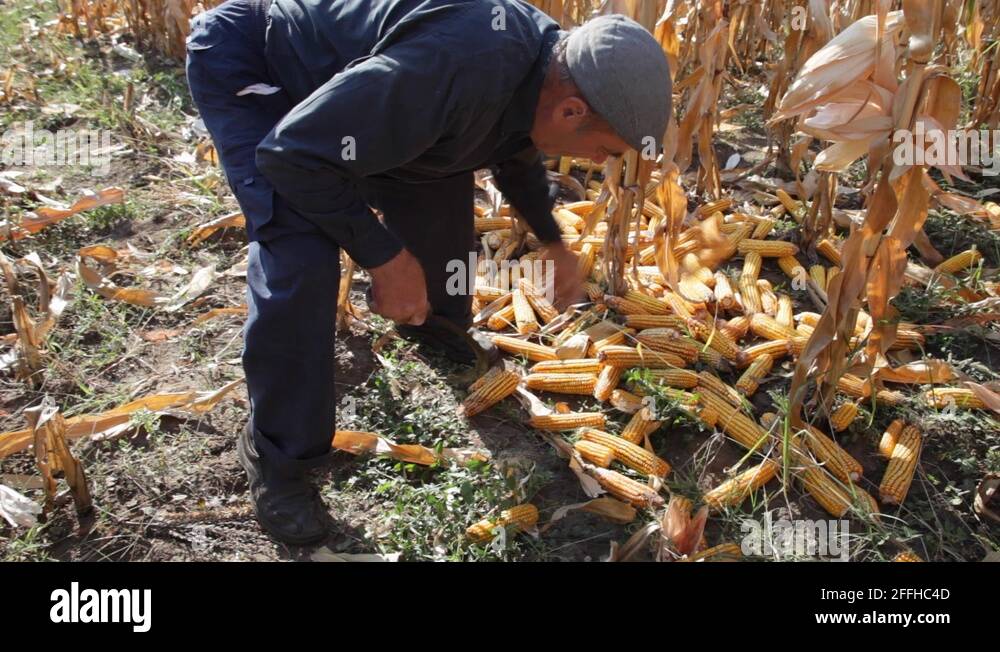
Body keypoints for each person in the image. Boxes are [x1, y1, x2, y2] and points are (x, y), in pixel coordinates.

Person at [185, 0, 671, 545]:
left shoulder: (544, 70)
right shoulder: (451, 69)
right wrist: (385, 259)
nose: (602, 163)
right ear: (572, 111)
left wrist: (552, 240)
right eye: (605, 150)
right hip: (263, 67)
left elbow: (512, 149)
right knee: (301, 257)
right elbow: (291, 154)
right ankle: (280, 462)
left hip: (362, 104)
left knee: (440, 186)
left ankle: (431, 322)